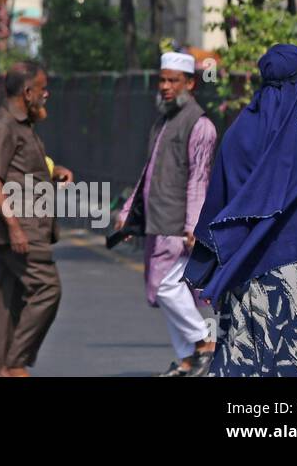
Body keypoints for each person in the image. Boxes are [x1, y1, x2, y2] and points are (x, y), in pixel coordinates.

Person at [182, 44, 297, 377]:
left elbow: (216, 208)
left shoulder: (237, 135)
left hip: (241, 275)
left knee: (243, 369)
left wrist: (205, 268)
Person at [115, 51, 217, 376]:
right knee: (161, 290)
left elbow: (199, 179)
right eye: (162, 79)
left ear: (190, 83)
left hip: (177, 225)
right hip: (157, 222)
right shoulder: (163, 122)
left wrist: (193, 227)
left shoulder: (201, 126)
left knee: (167, 287)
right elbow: (149, 172)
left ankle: (204, 341)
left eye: (174, 80)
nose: (166, 86)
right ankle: (187, 358)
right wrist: (130, 211)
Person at [0, 61, 73, 377]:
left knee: (8, 303)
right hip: (22, 229)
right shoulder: (3, 125)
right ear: (27, 91)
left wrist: (53, 172)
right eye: (43, 89)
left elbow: (20, 170)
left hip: (30, 226)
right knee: (47, 289)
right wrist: (15, 227)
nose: (46, 94)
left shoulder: (21, 125)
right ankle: (15, 363)